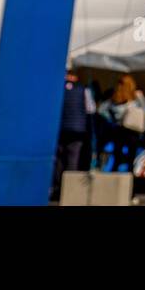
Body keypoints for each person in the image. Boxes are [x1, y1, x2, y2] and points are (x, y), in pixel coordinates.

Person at [54, 65, 96, 198]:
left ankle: (56, 187)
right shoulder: (83, 89)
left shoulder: (58, 89)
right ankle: (68, 190)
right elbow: (91, 109)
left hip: (61, 129)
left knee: (59, 159)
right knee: (72, 159)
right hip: (77, 131)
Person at [98, 74, 145, 173]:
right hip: (133, 131)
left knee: (117, 156)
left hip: (118, 129)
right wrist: (141, 97)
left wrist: (112, 120)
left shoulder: (115, 97)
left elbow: (101, 110)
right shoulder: (135, 97)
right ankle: (128, 178)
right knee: (131, 158)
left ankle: (115, 176)